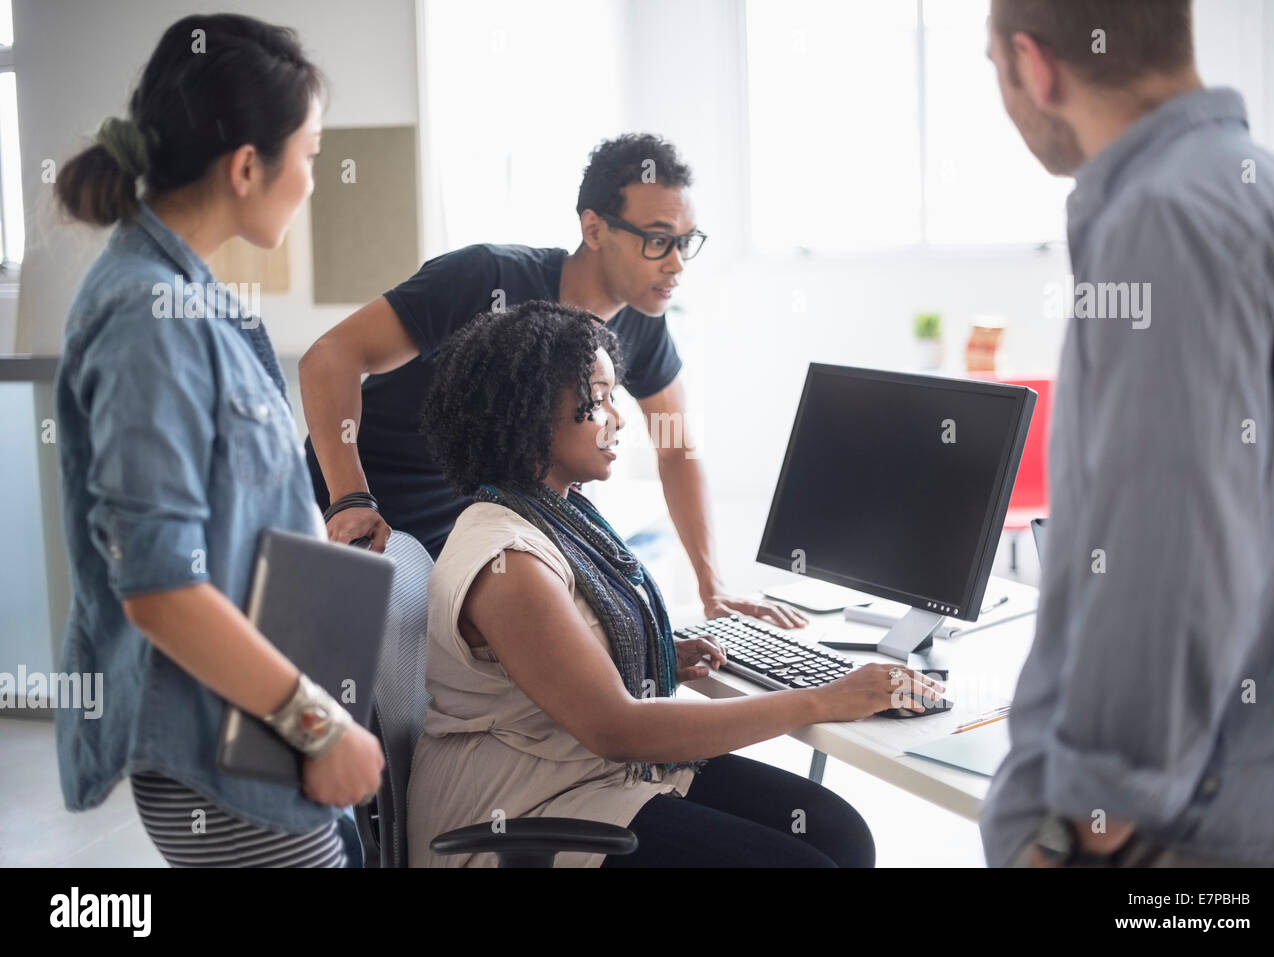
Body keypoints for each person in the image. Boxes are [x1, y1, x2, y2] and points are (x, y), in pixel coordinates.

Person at [405, 300, 946, 867]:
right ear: (527, 411)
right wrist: (824, 698)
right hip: (520, 809)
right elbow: (619, 729)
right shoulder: (510, 561)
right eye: (598, 396)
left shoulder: (556, 512)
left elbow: (567, 662)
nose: (619, 417)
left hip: (584, 773)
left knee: (839, 833)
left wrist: (647, 654)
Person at [53, 13, 383, 867]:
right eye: (309, 154)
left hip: (257, 736)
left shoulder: (192, 299)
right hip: (223, 760)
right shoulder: (145, 317)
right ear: (247, 166)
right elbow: (161, 588)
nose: (314, 179)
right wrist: (318, 726)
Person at [981, 0, 1274, 866]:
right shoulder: (1260, 184)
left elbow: (1171, 550)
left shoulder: (1166, 217)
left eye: (993, 71)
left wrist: (1086, 818)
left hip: (1173, 837)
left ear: (1036, 67)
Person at [298, 133, 807, 628]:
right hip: (355, 501)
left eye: (685, 242)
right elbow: (329, 357)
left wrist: (710, 586)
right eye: (657, 240)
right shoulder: (487, 277)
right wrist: (350, 498)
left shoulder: (642, 323)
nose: (676, 263)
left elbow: (675, 448)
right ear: (594, 229)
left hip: (466, 527)